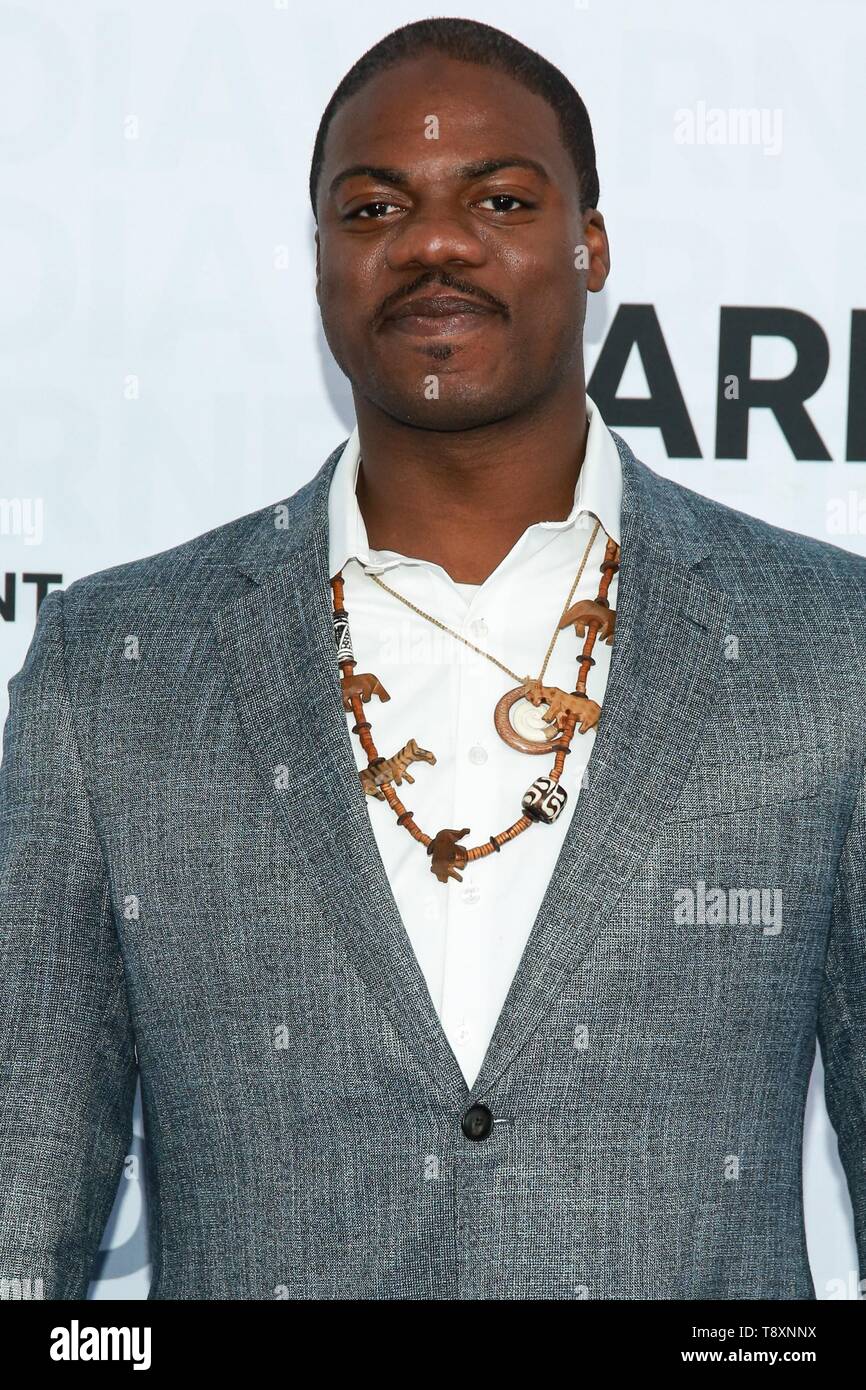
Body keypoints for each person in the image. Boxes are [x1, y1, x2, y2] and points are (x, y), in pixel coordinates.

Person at [1, 16, 864, 1302]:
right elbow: (26, 1202)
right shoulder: (111, 670)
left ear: (592, 246)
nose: (434, 242)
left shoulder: (824, 641)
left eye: (501, 198)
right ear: (318, 267)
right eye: (371, 207)